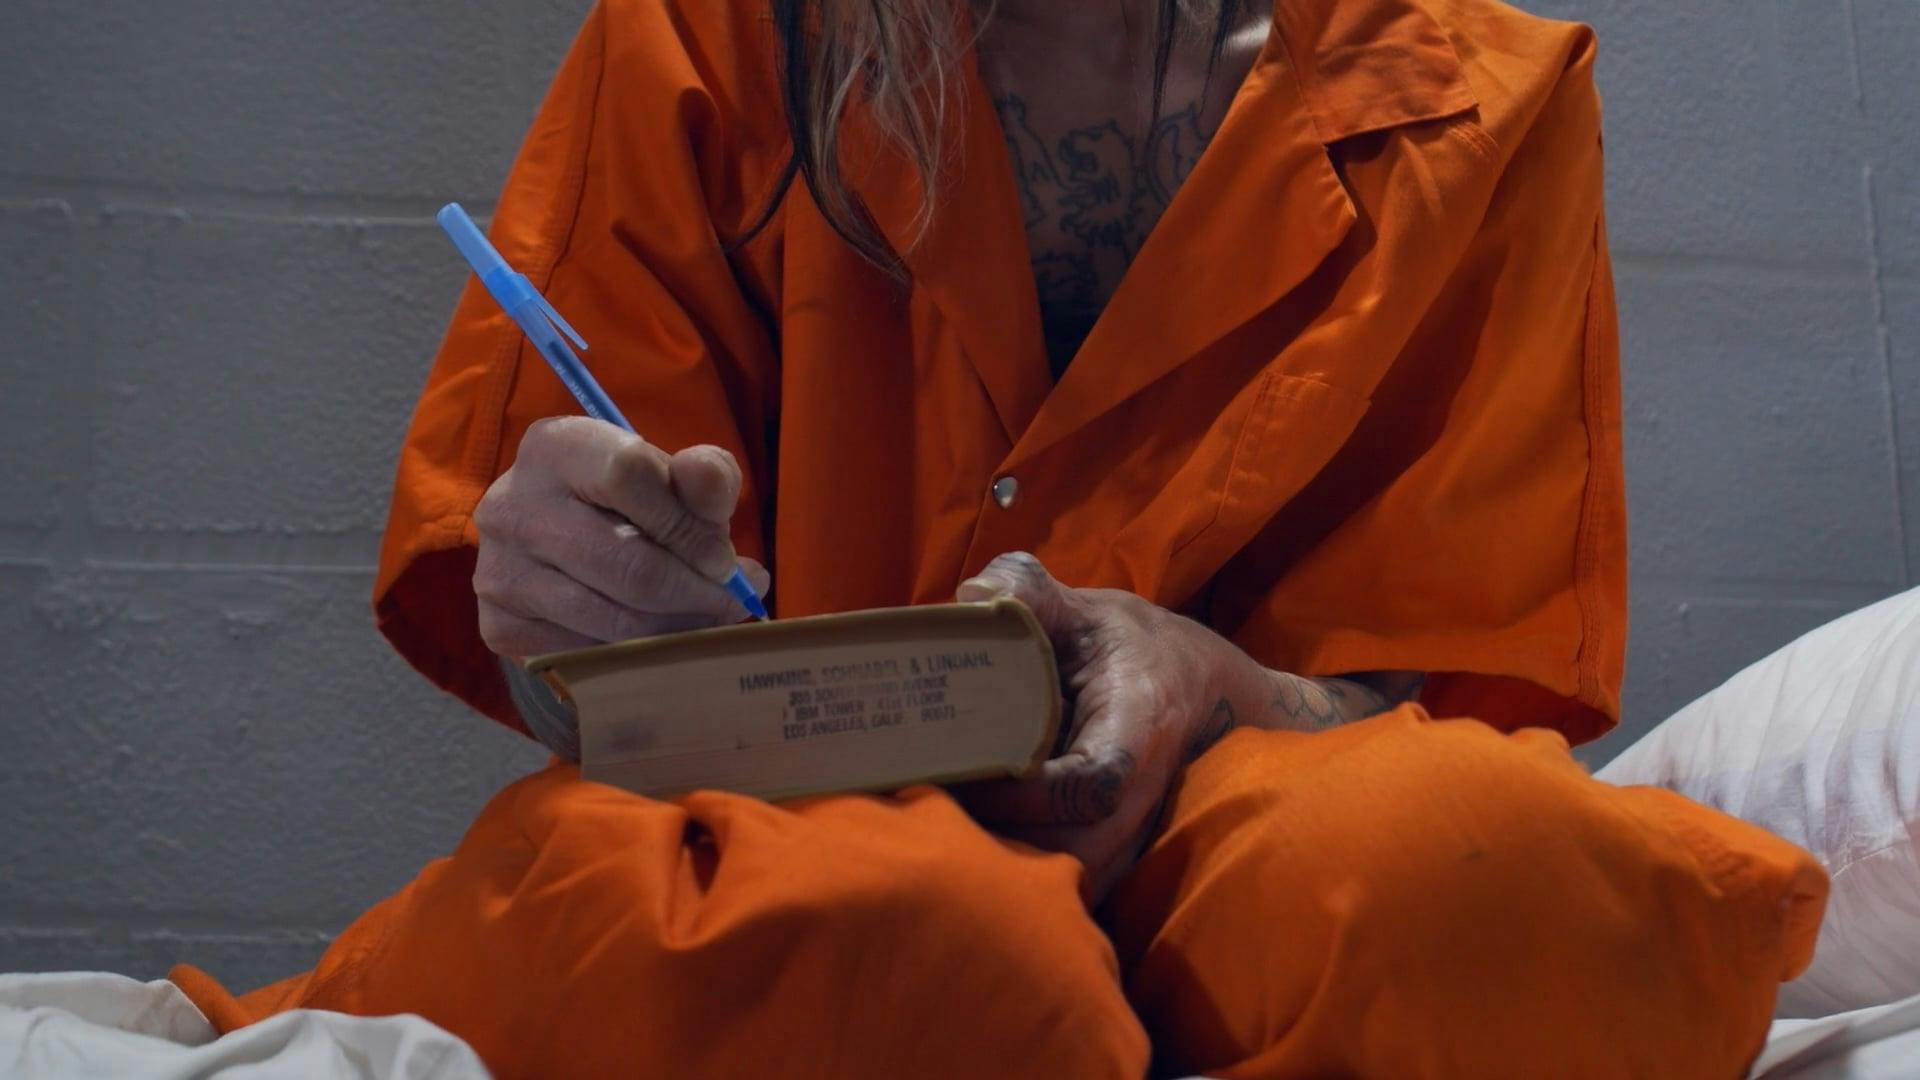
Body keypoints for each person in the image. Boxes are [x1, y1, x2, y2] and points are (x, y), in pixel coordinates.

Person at [170, 0, 1829, 1075]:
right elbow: (582, 699)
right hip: (780, 829)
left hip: (1254, 830)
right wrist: (565, 612)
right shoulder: (719, 33)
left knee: (1484, 873)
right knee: (882, 938)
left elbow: (1458, 688)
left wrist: (1210, 679)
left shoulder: (1481, 102)